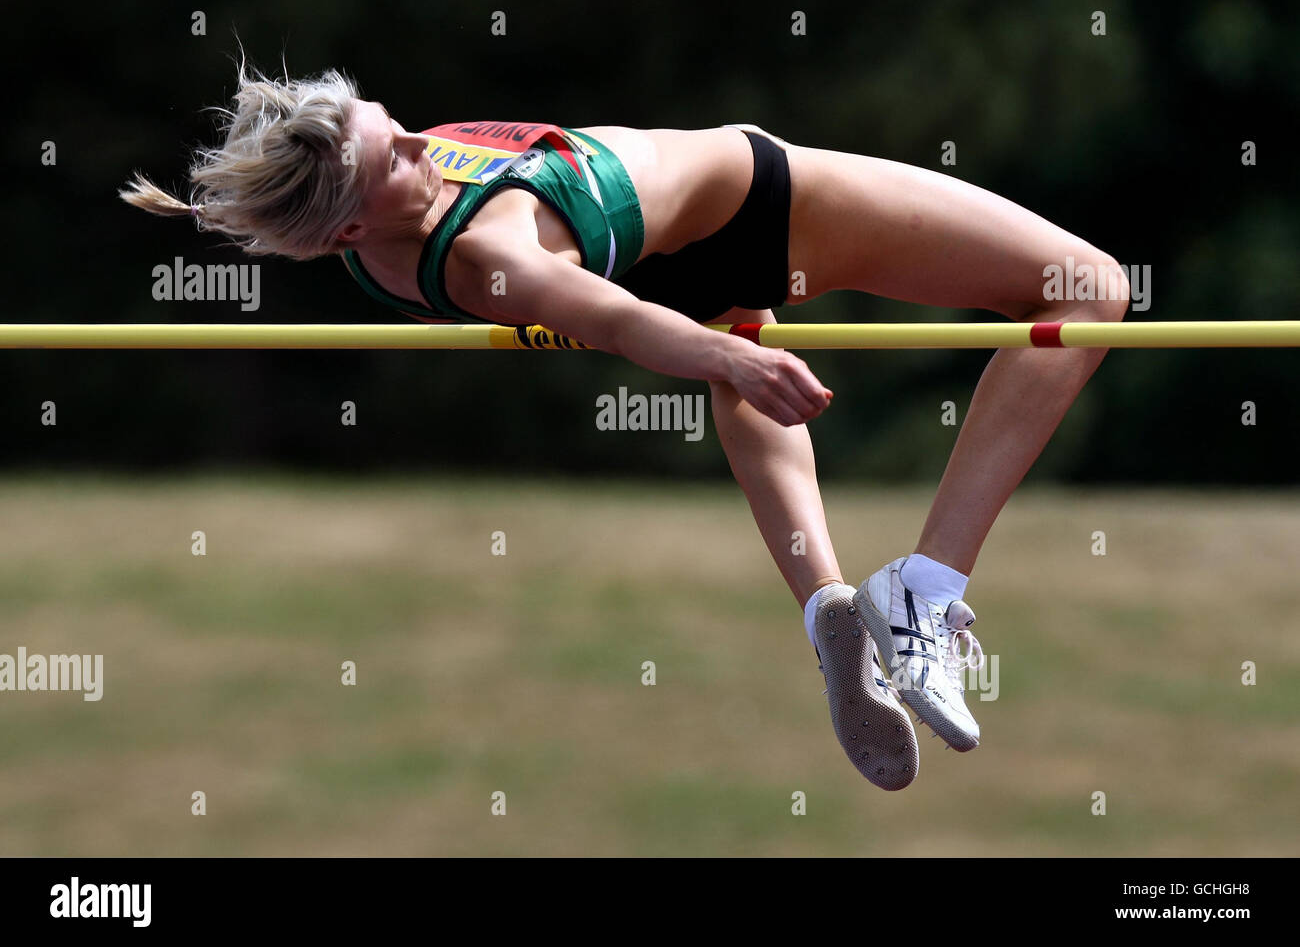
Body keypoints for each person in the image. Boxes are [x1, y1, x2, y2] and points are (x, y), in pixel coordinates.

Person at [121, 58, 1129, 791]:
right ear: (346, 226)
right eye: (395, 158)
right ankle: (923, 589)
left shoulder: (371, 238)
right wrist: (730, 357)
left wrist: (723, 340)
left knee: (733, 321)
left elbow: (598, 299)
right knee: (1089, 288)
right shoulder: (490, 254)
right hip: (767, 209)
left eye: (396, 124)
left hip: (663, 255)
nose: (421, 143)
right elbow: (609, 319)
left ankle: (827, 605)